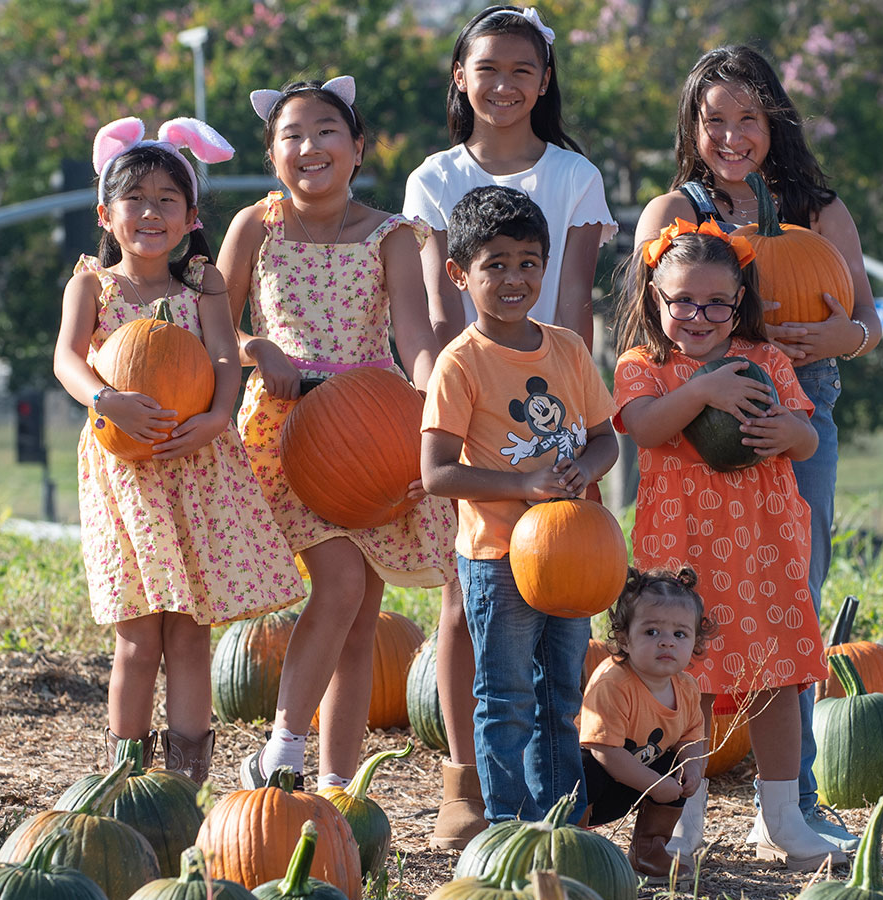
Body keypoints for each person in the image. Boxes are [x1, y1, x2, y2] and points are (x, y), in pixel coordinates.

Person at [633, 44, 882, 853]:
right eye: (715, 121)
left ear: (774, 121)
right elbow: (647, 321)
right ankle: (683, 798)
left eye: (748, 119)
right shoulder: (677, 207)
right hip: (689, 436)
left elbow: (866, 322)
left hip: (796, 410)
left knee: (788, 599)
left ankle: (792, 800)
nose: (732, 136)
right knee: (687, 616)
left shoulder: (817, 208)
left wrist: (843, 334)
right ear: (693, 128)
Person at [404, 4, 617, 848]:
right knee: (466, 608)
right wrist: (454, 404)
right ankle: (471, 786)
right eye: (486, 68)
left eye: (521, 70)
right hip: (468, 416)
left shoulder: (573, 178)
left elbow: (570, 318)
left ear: (545, 79)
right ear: (461, 76)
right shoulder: (432, 179)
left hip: (553, 432)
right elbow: (428, 317)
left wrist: (573, 458)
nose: (503, 85)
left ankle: (554, 816)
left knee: (562, 636)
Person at [221, 78, 458, 792]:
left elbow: (413, 339)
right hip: (285, 434)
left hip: (373, 430)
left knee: (362, 621)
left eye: (327, 131)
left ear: (357, 149)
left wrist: (432, 406)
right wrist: (257, 349)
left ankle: (334, 787)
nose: (309, 146)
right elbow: (212, 331)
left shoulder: (391, 236)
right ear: (273, 155)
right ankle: (284, 750)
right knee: (341, 580)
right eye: (291, 134)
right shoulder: (255, 228)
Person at [53, 116, 302, 781]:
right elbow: (67, 360)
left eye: (168, 199)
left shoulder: (203, 286)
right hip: (124, 476)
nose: (151, 211)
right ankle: (124, 779)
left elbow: (227, 359)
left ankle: (186, 784)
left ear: (191, 216)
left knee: (191, 629)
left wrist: (220, 417)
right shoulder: (93, 287)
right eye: (135, 198)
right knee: (137, 634)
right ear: (107, 215)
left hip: (196, 468)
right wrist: (104, 398)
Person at [612, 219, 842, 870]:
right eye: (682, 300)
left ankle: (783, 819)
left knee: (775, 680)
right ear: (655, 296)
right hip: (683, 553)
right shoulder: (645, 366)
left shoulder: (763, 360)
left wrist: (785, 436)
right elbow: (646, 427)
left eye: (717, 302)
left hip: (762, 548)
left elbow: (808, 433)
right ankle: (682, 818)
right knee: (685, 684)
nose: (699, 315)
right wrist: (702, 389)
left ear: (738, 301)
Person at [422, 185, 619, 825]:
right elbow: (437, 474)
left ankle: (562, 821)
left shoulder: (565, 348)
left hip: (571, 555)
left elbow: (604, 438)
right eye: (496, 264)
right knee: (505, 696)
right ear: (460, 273)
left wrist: (581, 470)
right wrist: (525, 485)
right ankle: (507, 826)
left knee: (562, 692)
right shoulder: (461, 364)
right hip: (498, 557)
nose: (514, 278)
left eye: (528, 262)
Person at [580, 567, 714, 879]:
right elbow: (604, 751)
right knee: (582, 766)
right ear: (625, 639)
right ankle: (574, 844)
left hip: (636, 780)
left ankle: (649, 849)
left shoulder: (687, 688)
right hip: (595, 782)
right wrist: (654, 784)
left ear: (695, 642)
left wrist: (692, 769)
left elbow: (693, 737)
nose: (667, 642)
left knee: (678, 765)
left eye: (679, 634)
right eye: (652, 632)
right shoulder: (613, 682)